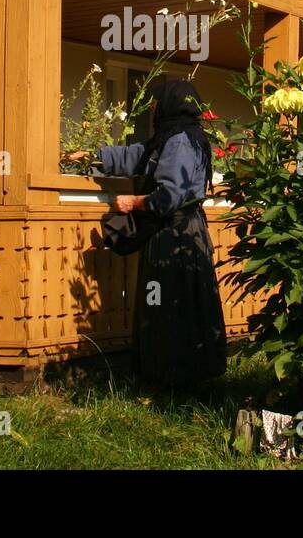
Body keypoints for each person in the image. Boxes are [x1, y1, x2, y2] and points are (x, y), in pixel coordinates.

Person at [66, 79, 227, 389]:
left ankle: (172, 377)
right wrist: (92, 156)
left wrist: (132, 202)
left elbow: (169, 196)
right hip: (181, 233)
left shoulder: (180, 141)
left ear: (170, 103)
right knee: (178, 303)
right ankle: (183, 376)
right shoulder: (173, 138)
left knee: (169, 303)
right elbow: (136, 156)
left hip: (175, 236)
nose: (153, 107)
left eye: (156, 102)